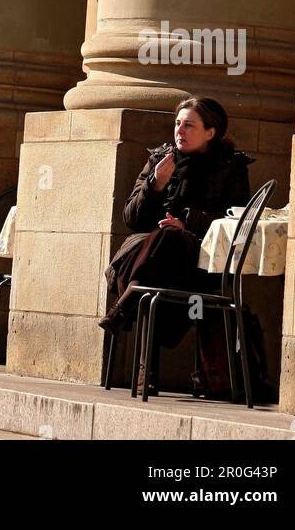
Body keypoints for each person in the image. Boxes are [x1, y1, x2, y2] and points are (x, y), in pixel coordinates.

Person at [99, 96, 272, 399]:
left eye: (189, 125)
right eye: (177, 123)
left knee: (169, 243)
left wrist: (187, 221)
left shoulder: (230, 167)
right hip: (149, 256)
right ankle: (133, 303)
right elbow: (131, 219)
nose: (179, 130)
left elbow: (235, 222)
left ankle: (129, 321)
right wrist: (154, 186)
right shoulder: (160, 160)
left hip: (200, 263)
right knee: (163, 246)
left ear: (211, 131)